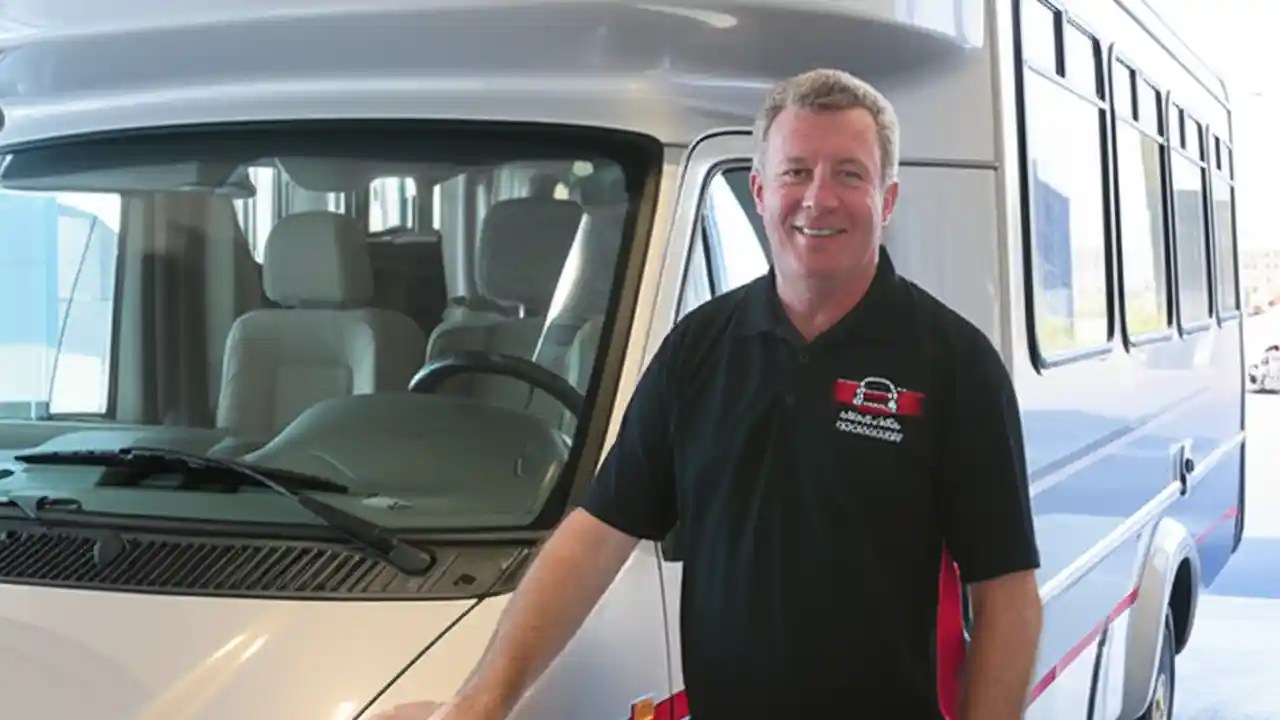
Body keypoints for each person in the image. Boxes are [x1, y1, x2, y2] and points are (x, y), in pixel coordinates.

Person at [376, 68, 1043, 720]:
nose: (818, 198)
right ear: (759, 189)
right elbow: (596, 535)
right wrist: (479, 703)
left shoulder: (955, 363)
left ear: (887, 199)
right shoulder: (699, 349)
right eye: (795, 171)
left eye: (849, 173)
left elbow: (1006, 593)